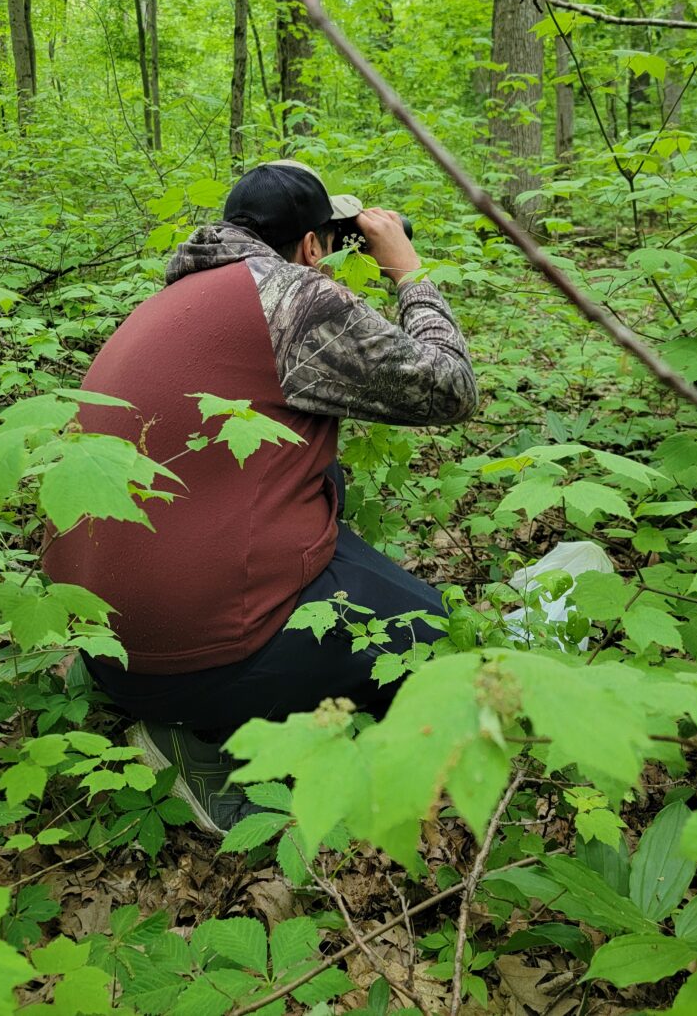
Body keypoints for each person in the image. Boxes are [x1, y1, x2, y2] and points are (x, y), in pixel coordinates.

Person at [43, 160, 477, 830]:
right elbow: (449, 387)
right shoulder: (296, 295)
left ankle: (188, 697)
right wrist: (406, 270)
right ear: (311, 246)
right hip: (192, 668)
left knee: (317, 474)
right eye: (331, 242)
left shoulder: (171, 302)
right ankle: (197, 742)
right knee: (436, 641)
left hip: (106, 652)